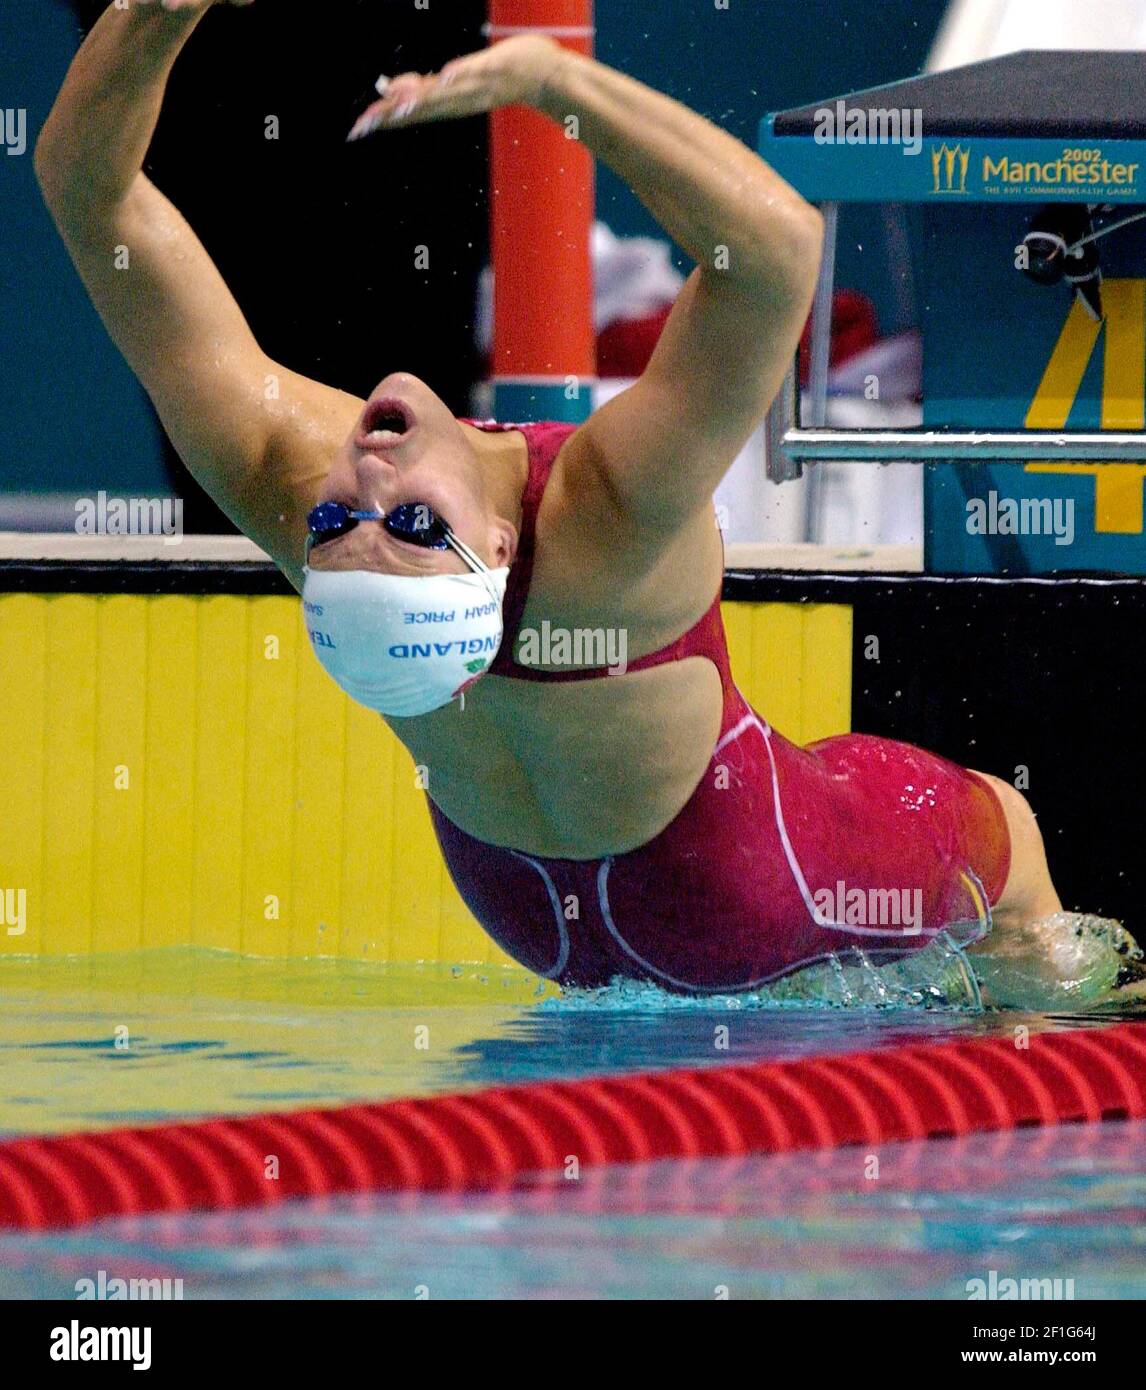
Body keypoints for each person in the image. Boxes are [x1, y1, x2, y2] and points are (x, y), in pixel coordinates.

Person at [36, 0, 1102, 1000]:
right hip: (745, 883)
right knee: (1007, 845)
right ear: (503, 545)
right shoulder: (601, 517)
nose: (364, 480)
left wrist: (156, 12)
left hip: (526, 912)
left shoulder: (287, 476)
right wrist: (558, 86)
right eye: (413, 526)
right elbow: (775, 254)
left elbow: (88, 190)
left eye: (336, 526)